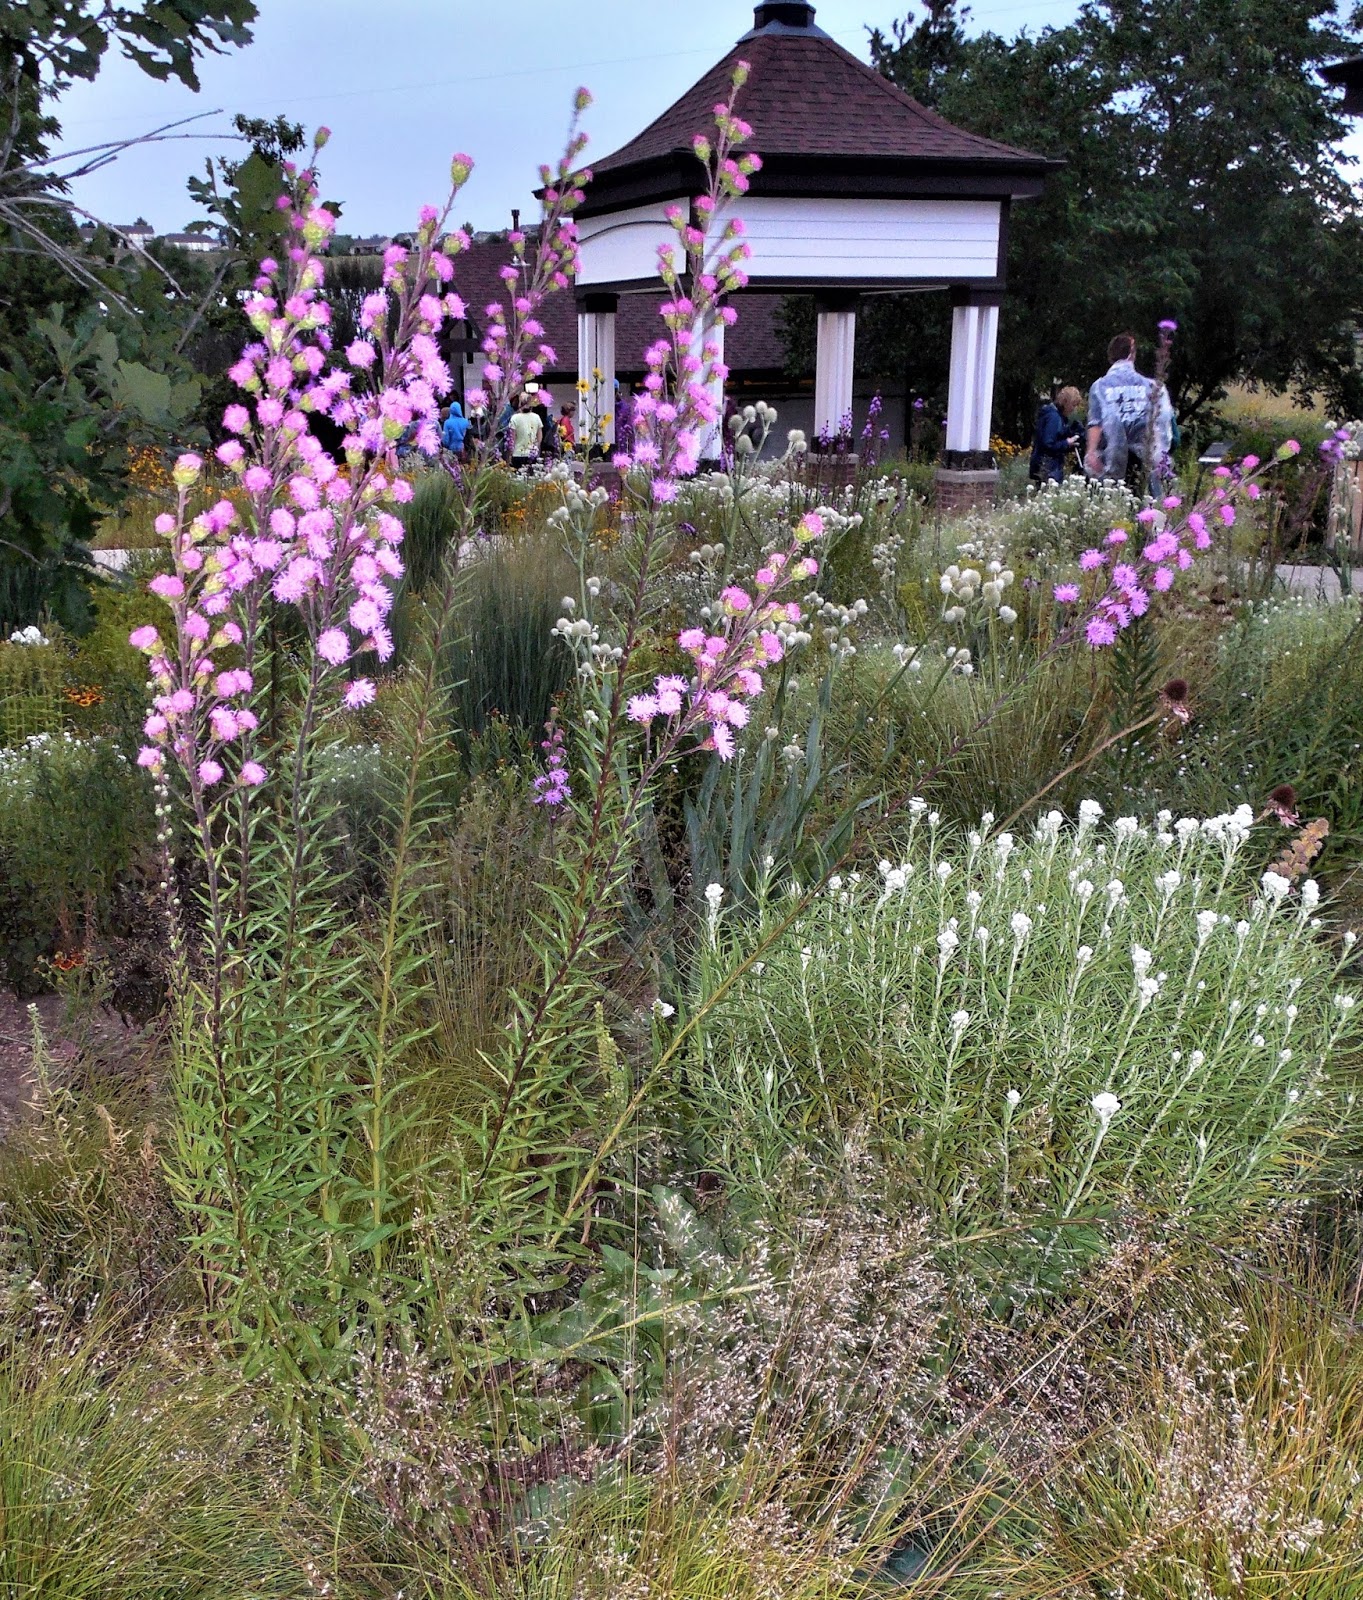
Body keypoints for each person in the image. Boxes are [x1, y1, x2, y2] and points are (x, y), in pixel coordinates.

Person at [1084, 333, 1173, 498]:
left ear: (1111, 356)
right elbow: (1163, 420)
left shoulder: (1100, 387)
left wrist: (1091, 453)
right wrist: (1161, 455)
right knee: (1149, 501)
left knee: (1113, 500)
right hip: (1145, 456)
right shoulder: (1152, 386)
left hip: (1112, 457)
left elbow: (1095, 423)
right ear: (1132, 354)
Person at [1028, 385, 1084, 486]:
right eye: (1073, 405)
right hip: (1048, 466)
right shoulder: (1054, 418)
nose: (1074, 409)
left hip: (1044, 464)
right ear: (1066, 402)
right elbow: (1048, 444)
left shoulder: (1053, 415)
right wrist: (1067, 442)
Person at [509, 395, 543, 469]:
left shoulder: (514, 418)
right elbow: (539, 435)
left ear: (520, 404)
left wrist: (510, 453)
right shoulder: (537, 417)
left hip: (517, 453)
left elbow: (512, 438)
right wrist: (536, 446)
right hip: (532, 453)